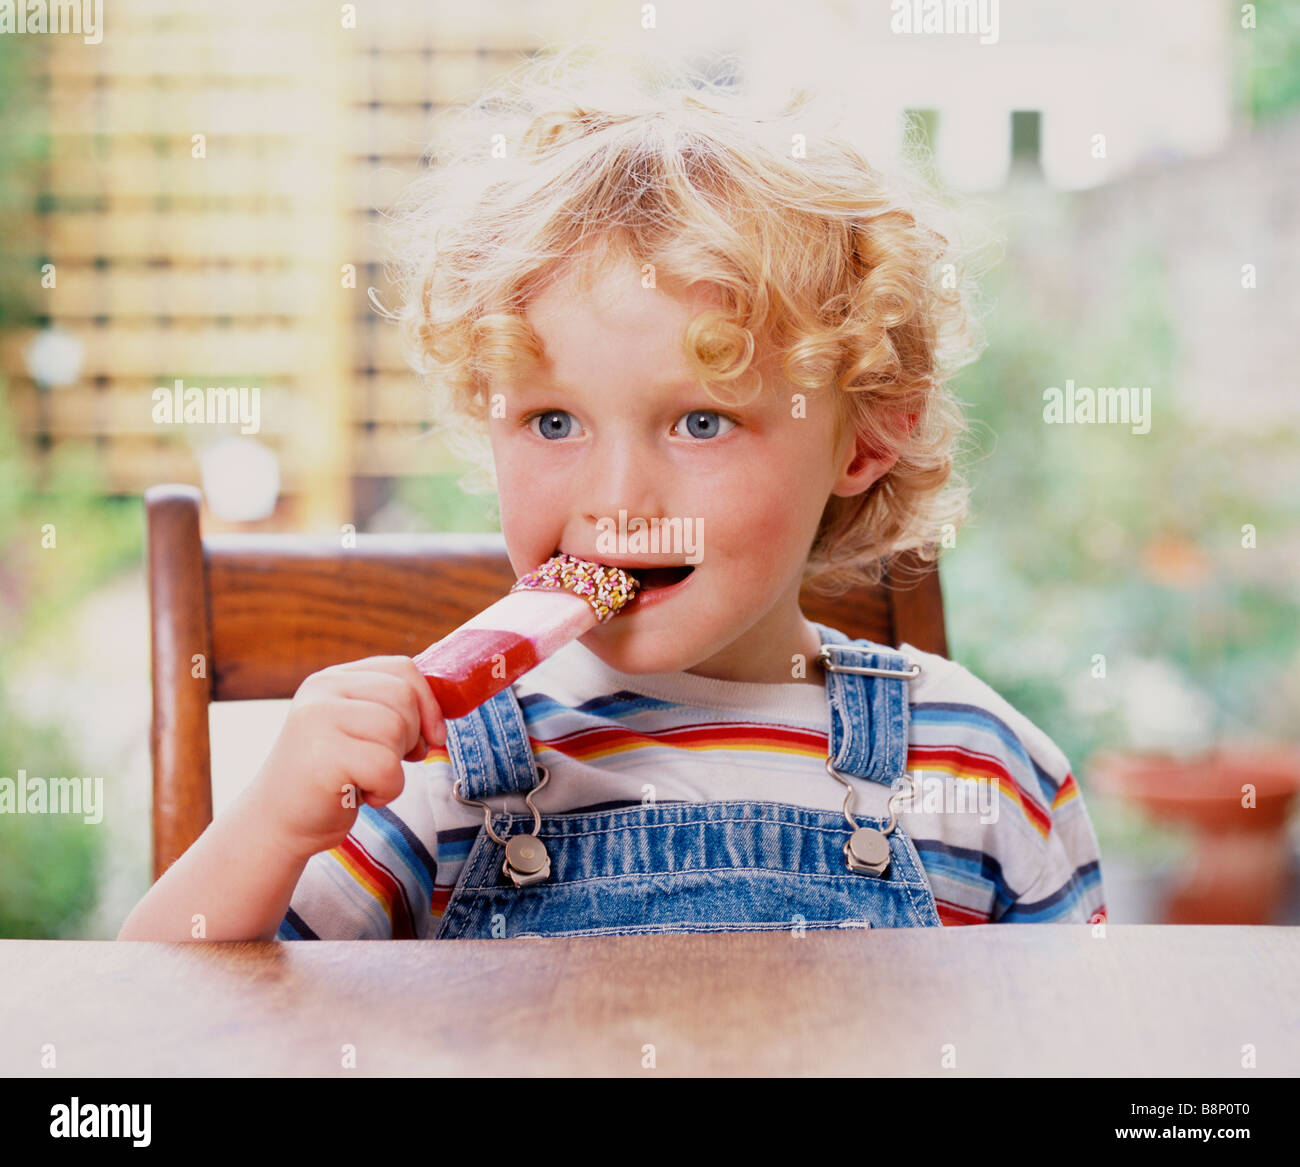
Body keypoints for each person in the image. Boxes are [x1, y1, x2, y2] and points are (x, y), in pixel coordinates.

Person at [118, 46, 1105, 943]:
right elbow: (152, 1029)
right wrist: (274, 823)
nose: (619, 496)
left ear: (868, 435)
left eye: (700, 422)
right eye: (554, 423)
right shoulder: (435, 776)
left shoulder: (974, 769)